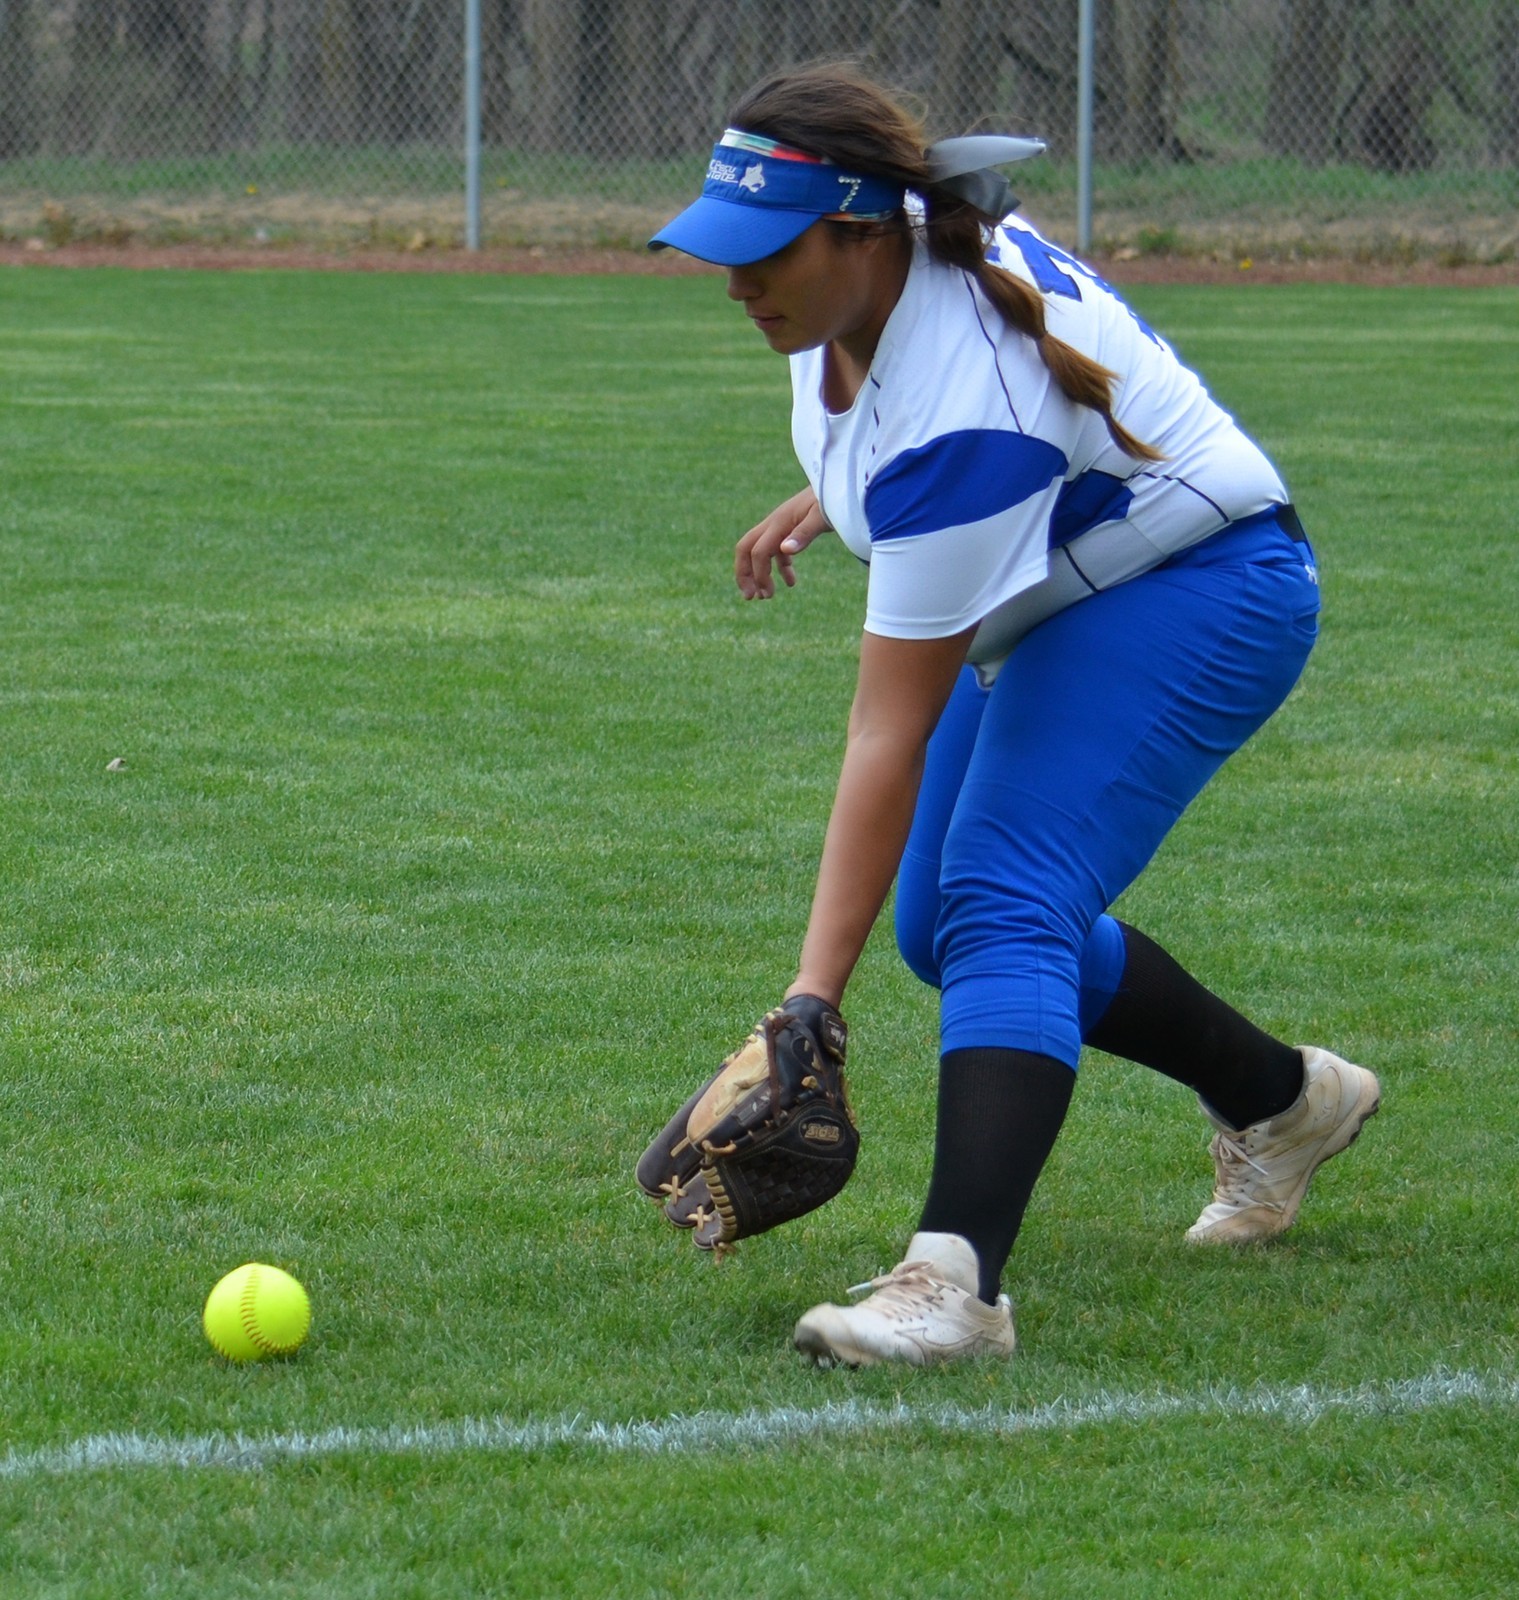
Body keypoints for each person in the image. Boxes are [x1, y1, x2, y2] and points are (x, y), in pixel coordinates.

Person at [648, 62, 1381, 1369]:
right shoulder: (869, 301)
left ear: (864, 229)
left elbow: (887, 729)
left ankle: (956, 1287)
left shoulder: (966, 409)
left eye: (766, 250)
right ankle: (1285, 1104)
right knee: (944, 928)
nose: (736, 281)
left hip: (1208, 586)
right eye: (723, 249)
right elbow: (919, 436)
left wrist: (808, 1003)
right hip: (1084, 586)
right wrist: (845, 499)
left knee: (1002, 897)